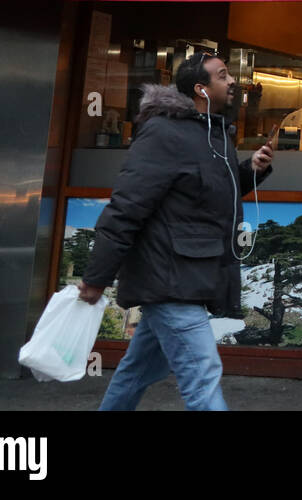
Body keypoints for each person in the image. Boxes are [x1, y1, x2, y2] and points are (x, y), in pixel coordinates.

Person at [78, 51, 274, 411]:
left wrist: (252, 171)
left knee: (136, 371)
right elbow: (126, 207)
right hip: (168, 275)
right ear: (201, 88)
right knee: (203, 371)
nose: (232, 82)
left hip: (188, 272)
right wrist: (96, 278)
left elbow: (213, 194)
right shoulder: (164, 132)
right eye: (223, 75)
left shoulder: (215, 133)